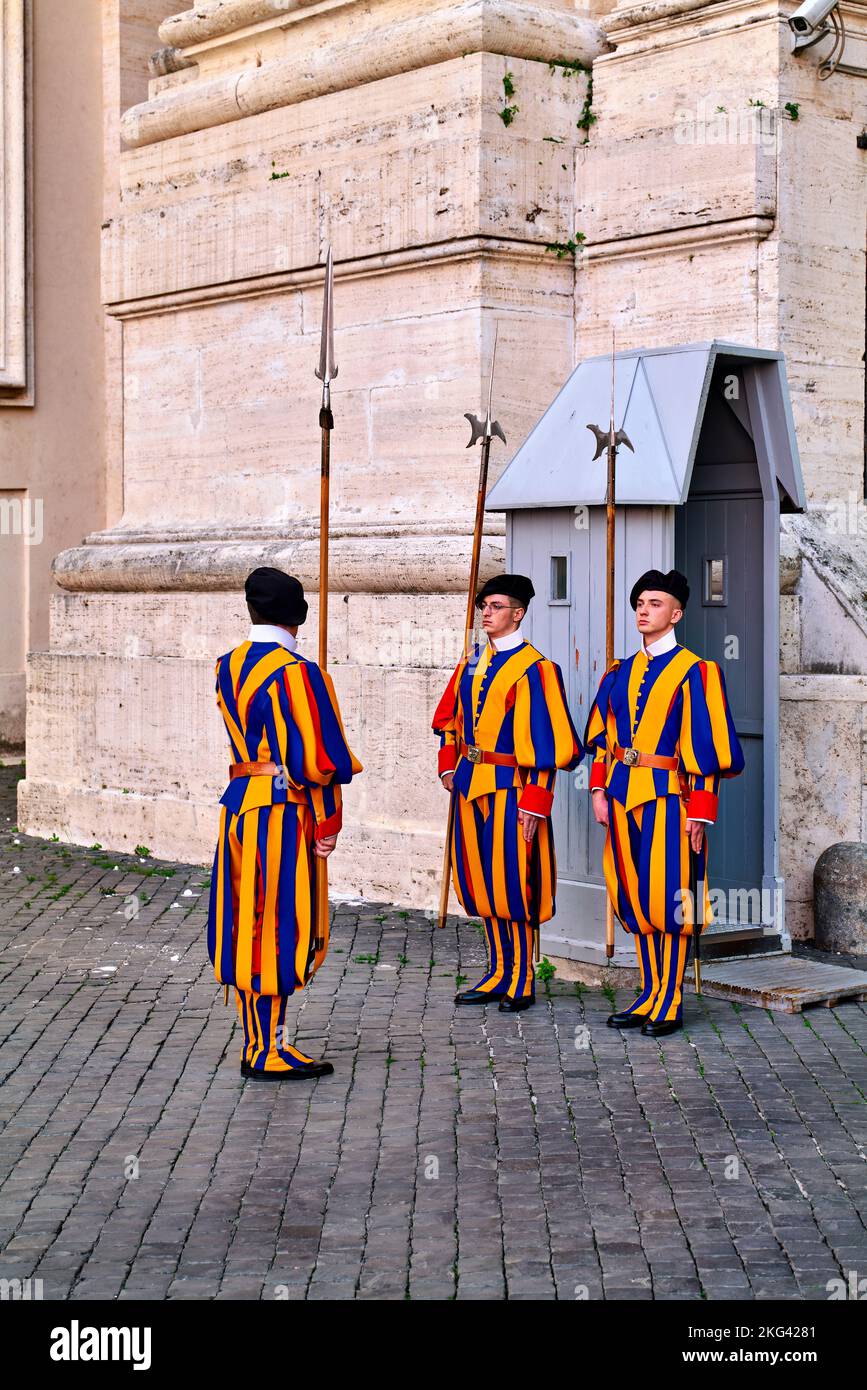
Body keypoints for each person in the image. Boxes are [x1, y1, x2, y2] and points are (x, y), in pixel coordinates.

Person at [207, 566, 362, 1079]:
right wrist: (329, 820)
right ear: (297, 616)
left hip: (240, 806)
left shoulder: (226, 666)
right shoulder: (299, 672)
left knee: (246, 924)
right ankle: (269, 1051)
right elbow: (320, 760)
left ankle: (259, 1044)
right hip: (285, 810)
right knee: (279, 926)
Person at [584, 568, 744, 1037]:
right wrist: (597, 788)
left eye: (654, 604)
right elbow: (602, 738)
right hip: (619, 796)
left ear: (675, 614)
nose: (643, 610)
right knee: (635, 897)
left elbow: (709, 750)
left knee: (671, 899)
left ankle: (669, 1001)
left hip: (669, 800)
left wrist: (701, 810)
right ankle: (649, 992)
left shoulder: (697, 671)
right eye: (639, 603)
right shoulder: (618, 671)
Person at [433, 574, 583, 1011]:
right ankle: (498, 970)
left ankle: (522, 976)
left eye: (496, 606)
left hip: (513, 790)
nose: (486, 612)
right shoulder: (470, 664)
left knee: (513, 884)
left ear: (517, 613)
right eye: (484, 605)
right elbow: (449, 723)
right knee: (482, 882)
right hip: (469, 786)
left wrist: (536, 801)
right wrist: (448, 767)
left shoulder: (537, 669)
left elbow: (547, 746)